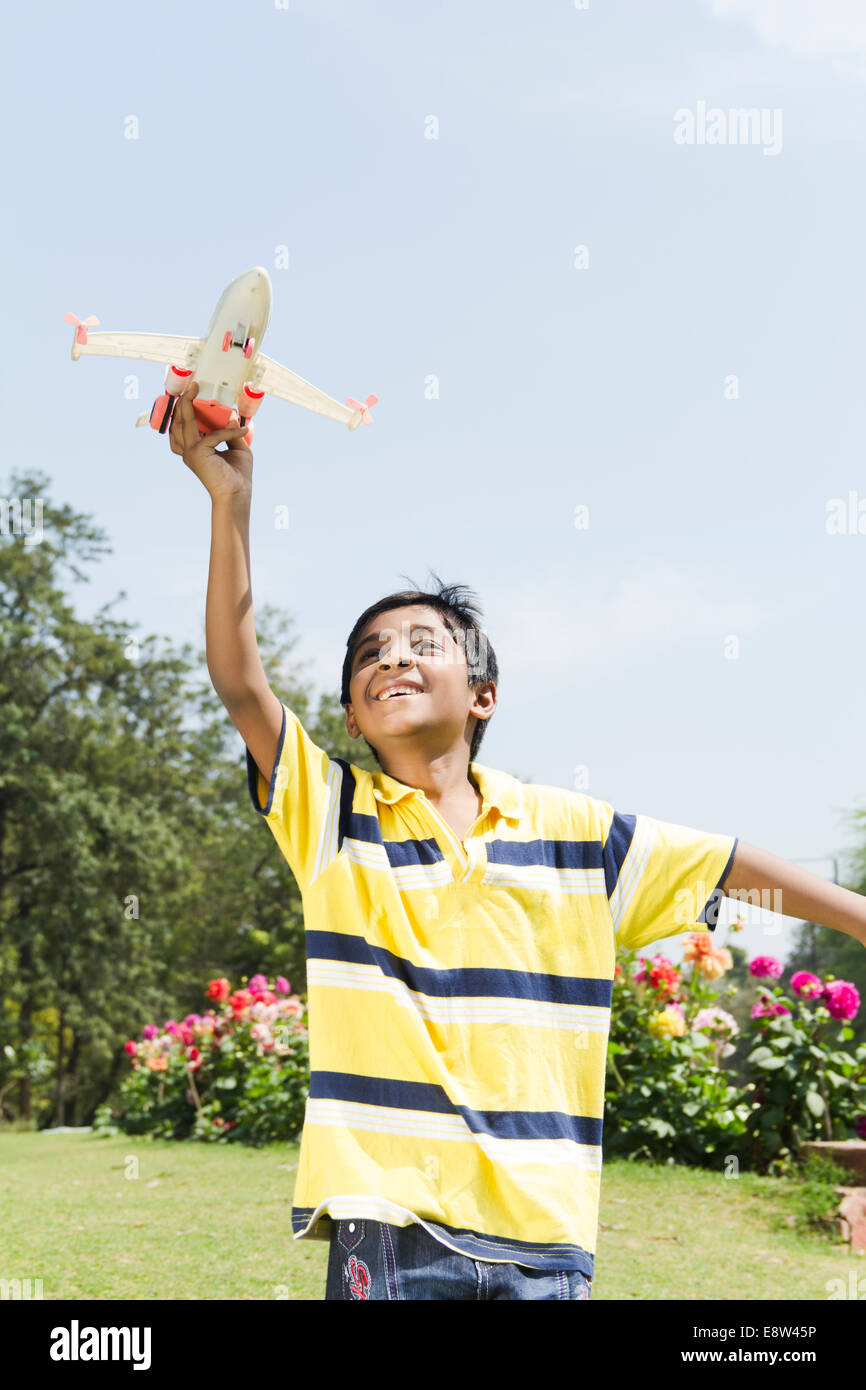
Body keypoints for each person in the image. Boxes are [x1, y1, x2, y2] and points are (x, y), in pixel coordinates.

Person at [169, 382, 866, 1301]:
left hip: (547, 1238)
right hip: (391, 1224)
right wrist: (230, 504)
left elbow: (736, 871)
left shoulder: (575, 833)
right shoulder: (332, 816)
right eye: (370, 655)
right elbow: (241, 681)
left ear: (483, 694)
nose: (393, 659)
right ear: (350, 711)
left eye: (424, 642)